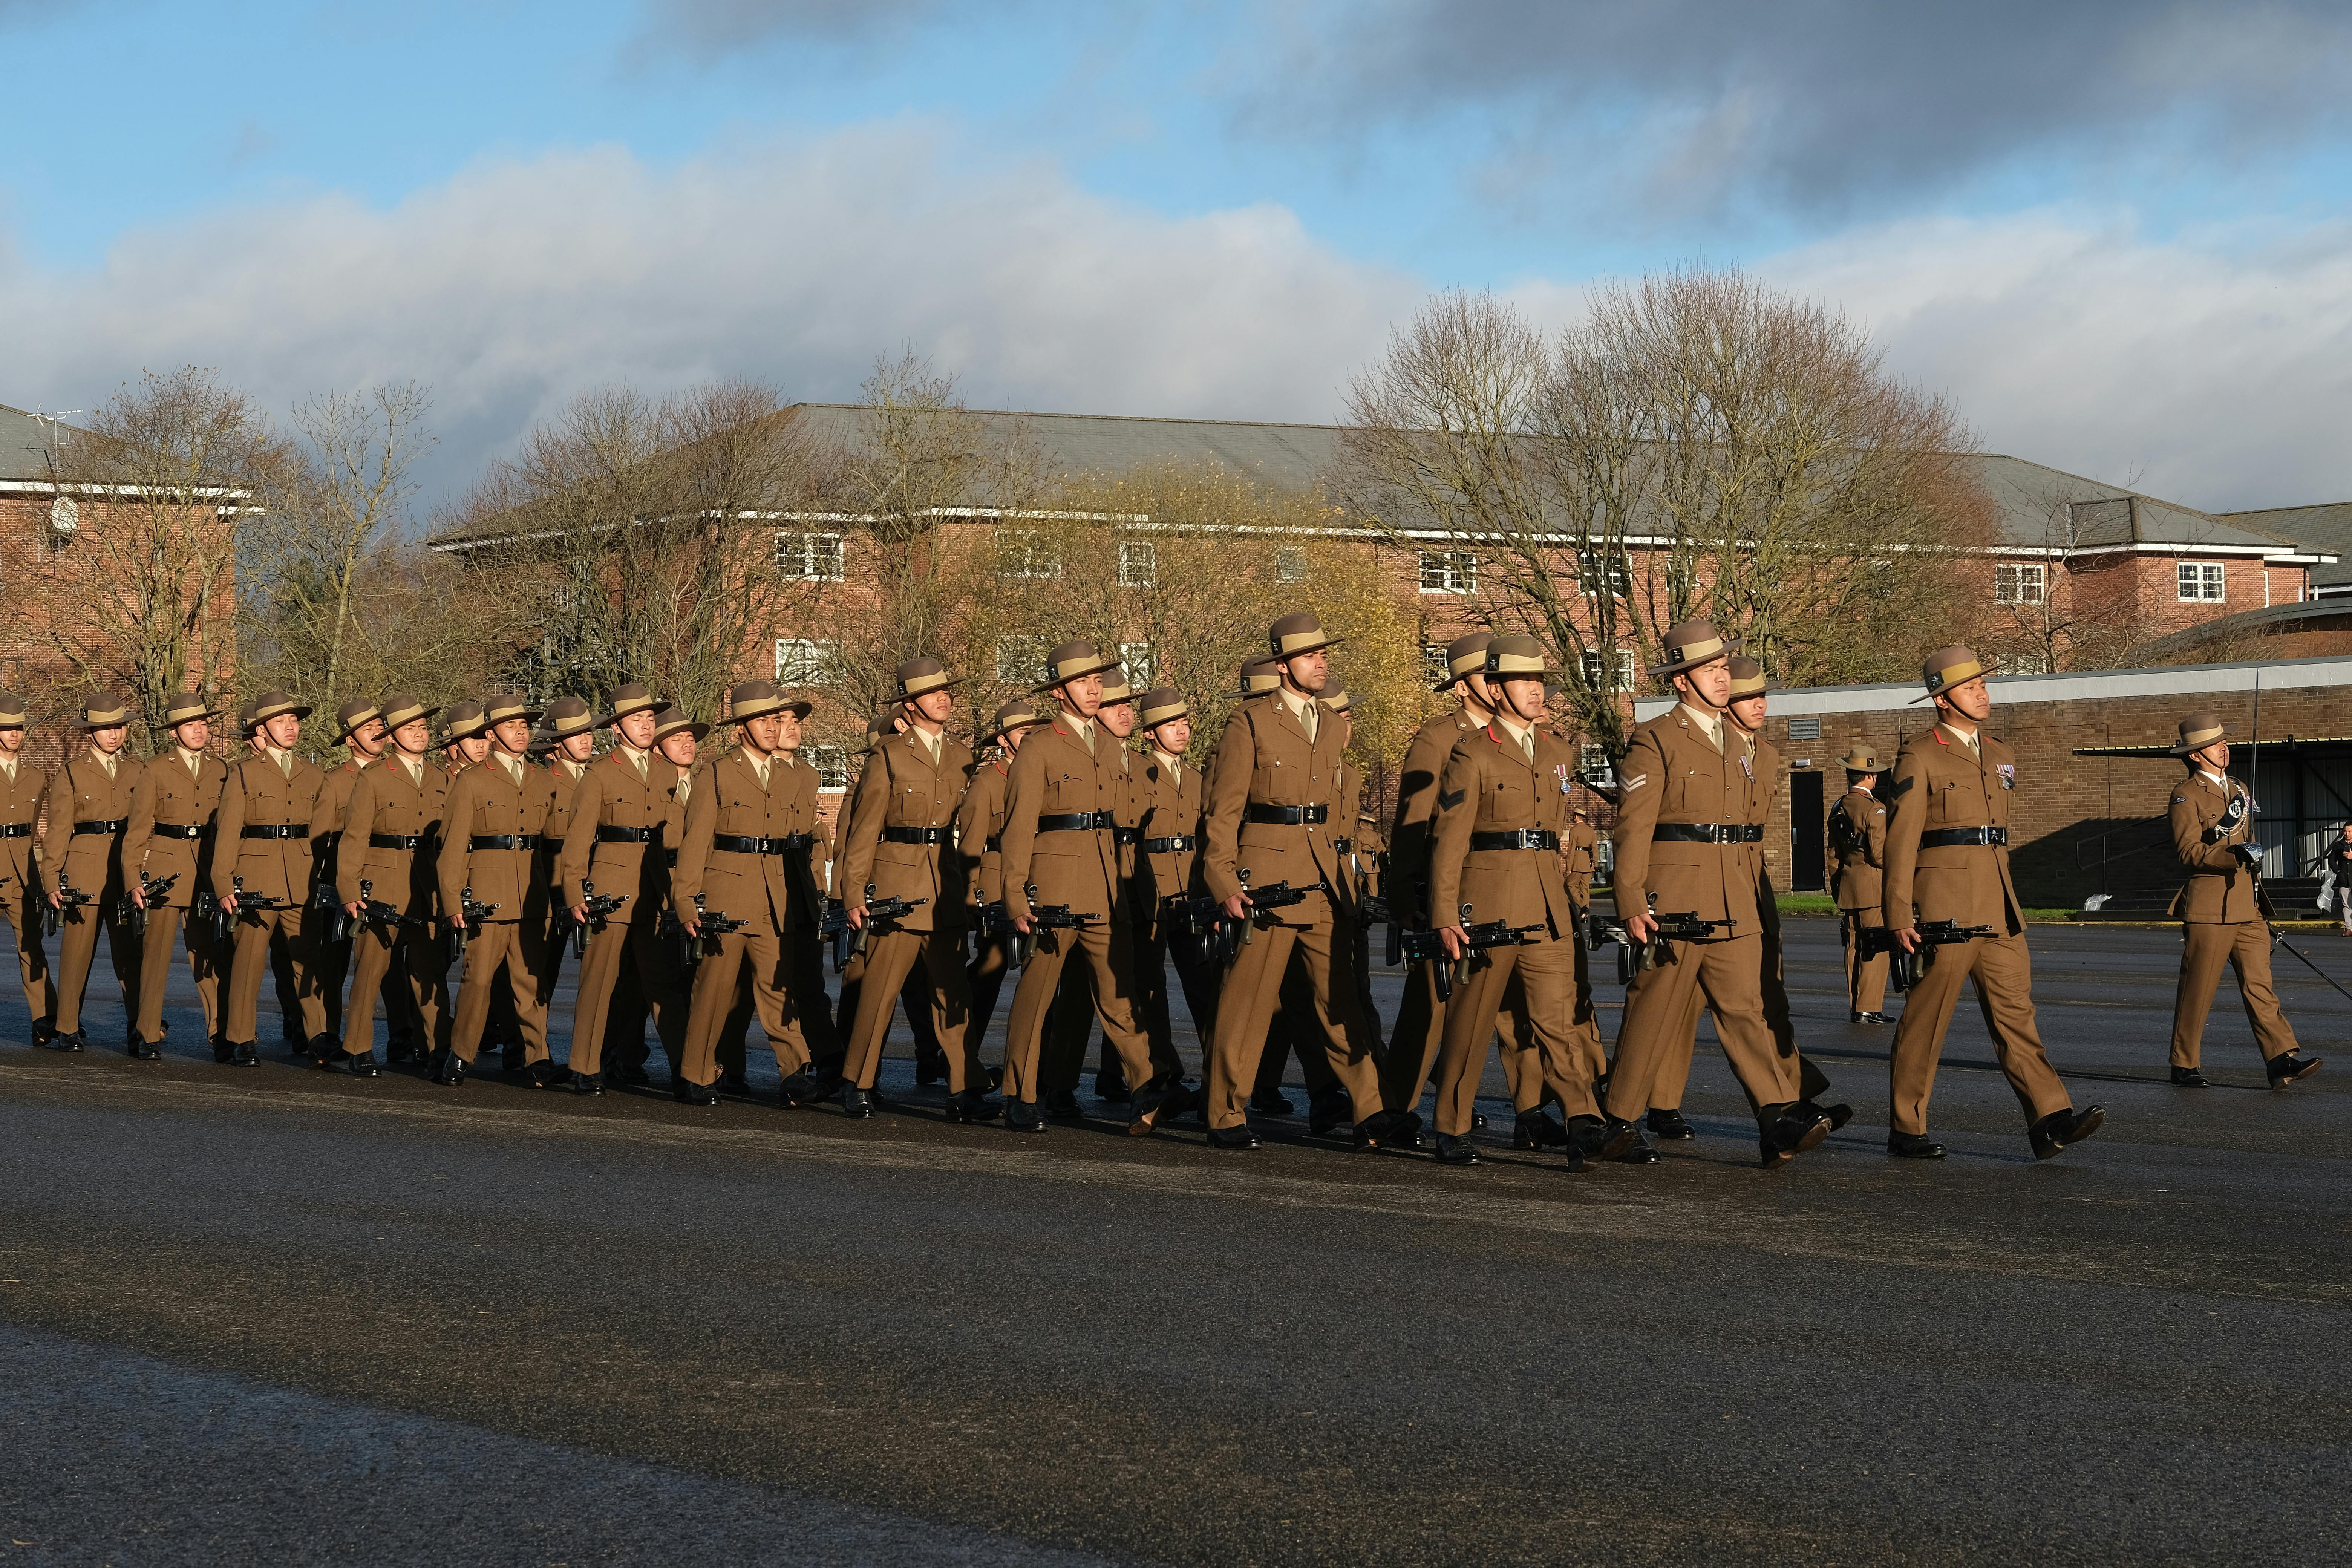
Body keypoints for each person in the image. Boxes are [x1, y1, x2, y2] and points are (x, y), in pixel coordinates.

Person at [1601, 622, 1827, 1168]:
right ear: (1681, 681)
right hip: (1676, 893)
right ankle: (1618, 1120)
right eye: (1710, 670)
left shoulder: (1741, 742)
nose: (1723, 679)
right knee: (1654, 1009)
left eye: (1725, 669)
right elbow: (1633, 828)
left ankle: (1776, 1118)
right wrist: (1630, 901)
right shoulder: (1654, 739)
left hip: (1735, 893)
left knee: (1746, 1008)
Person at [1880, 646, 2103, 1160]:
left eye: (1983, 684)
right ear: (1942, 699)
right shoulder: (1921, 754)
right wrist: (1897, 914)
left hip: (1999, 907)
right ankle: (1906, 1125)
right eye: (1969, 687)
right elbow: (1900, 841)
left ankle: (2050, 1118)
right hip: (1944, 909)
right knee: (1926, 1020)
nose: (1982, 693)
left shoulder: (2001, 752)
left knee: (2017, 1018)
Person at [1199, 614, 1410, 1150]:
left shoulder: (1333, 724)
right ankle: (1226, 1112)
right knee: (1247, 1002)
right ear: (1283, 664)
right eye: (1311, 655)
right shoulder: (1248, 723)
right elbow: (1224, 813)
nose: (1322, 662)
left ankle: (1370, 1112)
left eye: (1324, 654)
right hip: (1266, 874)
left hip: (1323, 877)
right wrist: (1223, 878)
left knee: (1338, 997)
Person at [1423, 637, 1632, 1166]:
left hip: (1546, 903)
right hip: (1488, 904)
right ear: (1495, 690)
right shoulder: (1471, 754)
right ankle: (1451, 1124)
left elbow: (1559, 832)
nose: (1537, 690)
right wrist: (1445, 915)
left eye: (1541, 681)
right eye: (1524, 681)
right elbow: (1449, 842)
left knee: (1558, 1021)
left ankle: (1584, 1119)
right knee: (1472, 1021)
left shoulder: (1559, 751)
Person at [994, 640, 1171, 1134]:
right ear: (1059, 693)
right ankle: (1019, 1093)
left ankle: (1145, 1082)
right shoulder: (1039, 747)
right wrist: (1015, 895)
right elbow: (1018, 827)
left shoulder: (1111, 746)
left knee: (1118, 991)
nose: (1094, 689)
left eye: (1098, 681)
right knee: (1037, 992)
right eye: (1082, 682)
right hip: (1053, 888)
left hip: (1103, 882)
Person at [673, 682, 851, 1110]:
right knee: (713, 990)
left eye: (776, 719)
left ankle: (795, 1071)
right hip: (727, 892)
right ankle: (695, 1073)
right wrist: (686, 901)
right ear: (741, 729)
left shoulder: (793, 775)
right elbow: (695, 842)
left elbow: (801, 844)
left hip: (778, 896)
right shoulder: (717, 772)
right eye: (762, 720)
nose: (772, 728)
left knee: (780, 988)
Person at [834, 658, 985, 1117]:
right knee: (878, 994)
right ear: (910, 704)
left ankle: (963, 1091)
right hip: (896, 885)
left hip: (944, 887)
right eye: (934, 693)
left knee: (951, 994)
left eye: (947, 691)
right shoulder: (889, 755)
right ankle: (856, 1082)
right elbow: (864, 830)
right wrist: (854, 892)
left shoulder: (963, 755)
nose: (945, 698)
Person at [2162, 712, 2322, 1089]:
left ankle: (2280, 1057)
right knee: (2198, 988)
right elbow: (2188, 851)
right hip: (2210, 906)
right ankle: (2183, 1063)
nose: (2223, 747)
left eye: (2223, 740)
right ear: (2195, 755)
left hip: (2247, 903)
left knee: (2260, 984)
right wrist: (2233, 855)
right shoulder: (2185, 794)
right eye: (2212, 744)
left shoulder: (2239, 787)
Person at [1377, 632, 1498, 1123]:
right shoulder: (1438, 738)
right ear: (1461, 688)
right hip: (1446, 890)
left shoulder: (1512, 736)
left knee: (1516, 1010)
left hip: (1504, 886)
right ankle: (1395, 1107)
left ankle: (1534, 1111)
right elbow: (1412, 822)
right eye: (1486, 676)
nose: (1496, 684)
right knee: (1429, 1006)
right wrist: (1406, 895)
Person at [557, 683, 687, 1095]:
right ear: (616, 728)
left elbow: (682, 834)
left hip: (656, 887)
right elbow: (578, 840)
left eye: (651, 719)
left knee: (663, 981)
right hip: (611, 884)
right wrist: (575, 893)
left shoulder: (669, 772)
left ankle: (690, 1068)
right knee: (599, 979)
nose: (647, 726)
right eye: (637, 719)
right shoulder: (599, 773)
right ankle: (585, 1064)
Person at [435, 693, 560, 1087]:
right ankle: (461, 1053)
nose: (521, 732)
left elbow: (552, 845)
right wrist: (453, 898)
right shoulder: (471, 780)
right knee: (479, 980)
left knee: (530, 981)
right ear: (491, 733)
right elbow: (451, 845)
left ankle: (537, 1057)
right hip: (487, 892)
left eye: (524, 726)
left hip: (532, 893)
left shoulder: (542, 779)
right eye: (511, 726)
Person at [334, 693, 452, 1075]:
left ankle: (436, 1048)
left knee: (428, 969)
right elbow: (354, 838)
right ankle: (358, 1046)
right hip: (383, 878)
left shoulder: (443, 778)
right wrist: (349, 889)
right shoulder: (373, 777)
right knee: (373, 967)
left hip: (427, 881)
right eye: (410, 728)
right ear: (391, 735)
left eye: (422, 727)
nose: (419, 734)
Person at [213, 691, 329, 1066]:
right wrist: (223, 882)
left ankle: (319, 1036)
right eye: (281, 722)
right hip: (255, 877)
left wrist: (322, 877)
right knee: (248, 962)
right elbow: (228, 833)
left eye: (294, 721)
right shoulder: (244, 773)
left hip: (299, 877)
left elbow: (322, 833)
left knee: (306, 960)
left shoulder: (313, 774)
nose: (291, 727)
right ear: (262, 729)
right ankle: (241, 1038)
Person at [121, 692, 230, 1059]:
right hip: (165, 869)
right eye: (189, 724)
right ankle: (147, 1033)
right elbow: (137, 831)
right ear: (174, 732)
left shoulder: (222, 769)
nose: (198, 730)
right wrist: (133, 878)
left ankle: (221, 1034)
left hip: (207, 871)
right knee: (156, 957)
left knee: (210, 956)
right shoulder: (155, 769)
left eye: (202, 723)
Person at [39, 692, 144, 1053]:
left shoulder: (139, 770)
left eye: (118, 726)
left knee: (131, 952)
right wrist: (51, 880)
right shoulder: (72, 772)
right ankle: (68, 1026)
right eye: (104, 728)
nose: (113, 734)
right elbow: (57, 832)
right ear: (90, 732)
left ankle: (140, 1025)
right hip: (84, 865)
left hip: (126, 868)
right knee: (77, 951)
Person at [956, 699, 1046, 1068]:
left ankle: (1043, 1067)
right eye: (1022, 729)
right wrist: (968, 904)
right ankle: (963, 1056)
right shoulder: (988, 783)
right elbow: (970, 848)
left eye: (1033, 729)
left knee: (1042, 976)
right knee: (989, 972)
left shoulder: (1043, 774)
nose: (1029, 734)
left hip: (1039, 878)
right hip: (995, 883)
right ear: (1003, 739)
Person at [0, 693, 54, 1044]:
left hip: (22, 872)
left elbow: (33, 828)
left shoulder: (37, 778)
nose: (14, 734)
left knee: (32, 948)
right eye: (7, 728)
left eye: (19, 728)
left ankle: (46, 1021)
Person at [1829, 747, 1891, 1024]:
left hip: (1848, 885)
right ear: (1870, 776)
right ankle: (1870, 1006)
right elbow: (1880, 856)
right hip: (1873, 888)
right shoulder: (1875, 809)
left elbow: (1833, 856)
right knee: (1875, 947)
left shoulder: (1839, 807)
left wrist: (1837, 885)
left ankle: (1857, 1006)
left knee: (1853, 947)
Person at [2327, 823, 2352, 936]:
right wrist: (2338, 871)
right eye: (2346, 831)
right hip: (2344, 879)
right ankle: (2349, 928)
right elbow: (2331, 860)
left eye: (2350, 831)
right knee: (2346, 905)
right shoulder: (2338, 845)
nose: (2347, 834)